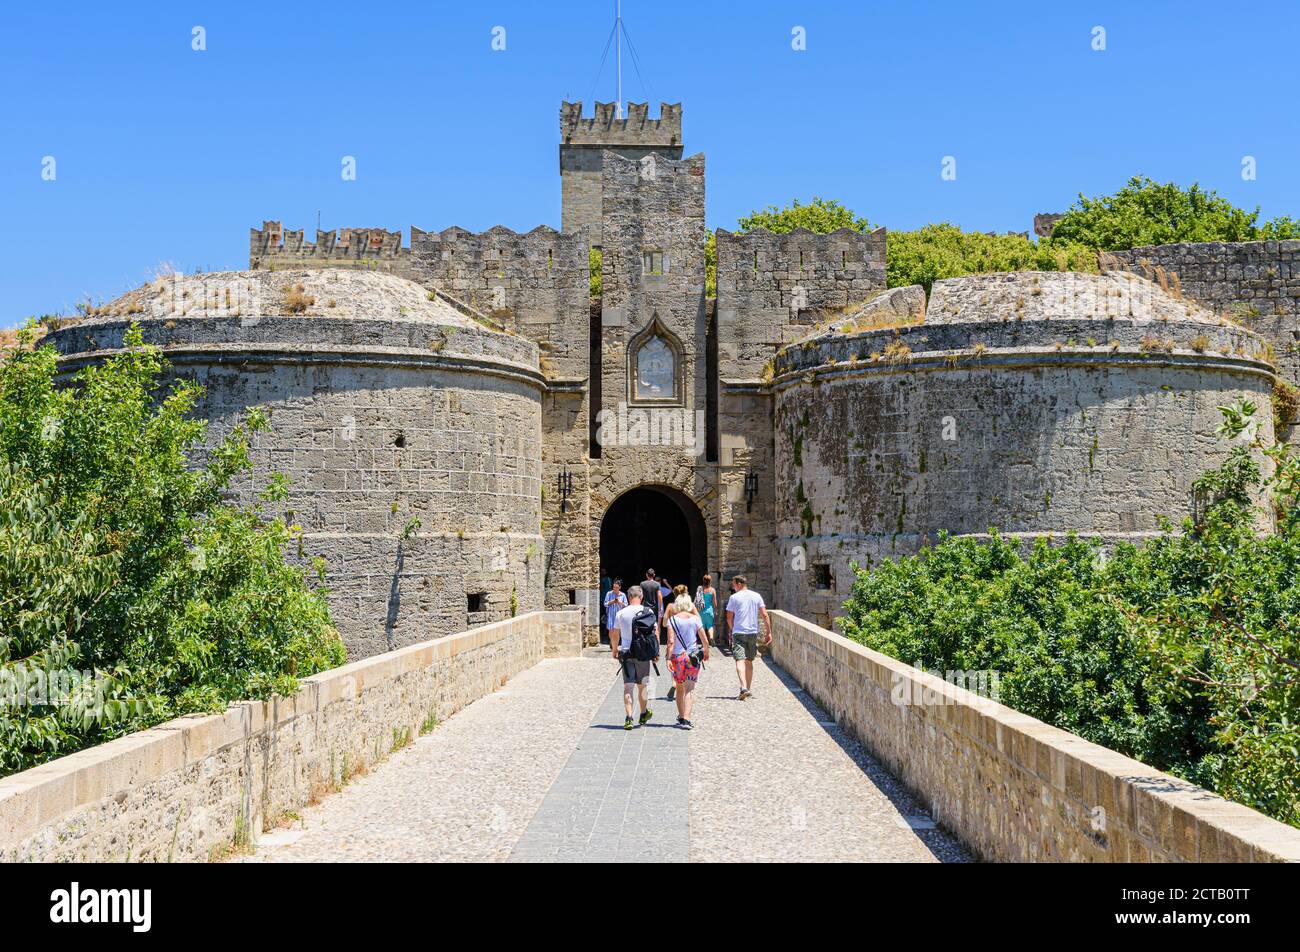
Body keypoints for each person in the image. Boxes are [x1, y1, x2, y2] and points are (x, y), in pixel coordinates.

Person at [612, 585, 657, 730]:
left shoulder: (621, 613)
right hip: (643, 654)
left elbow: (614, 633)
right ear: (641, 597)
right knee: (643, 685)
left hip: (626, 654)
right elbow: (654, 634)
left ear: (628, 597)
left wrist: (614, 649)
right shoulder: (648, 611)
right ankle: (643, 713)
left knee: (628, 687)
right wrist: (655, 653)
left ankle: (629, 718)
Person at [665, 593, 708, 729]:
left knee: (679, 688)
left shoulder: (672, 620)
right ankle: (687, 720)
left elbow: (671, 642)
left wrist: (667, 659)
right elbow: (704, 639)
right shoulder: (695, 619)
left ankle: (682, 716)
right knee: (690, 689)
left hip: (677, 658)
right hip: (692, 658)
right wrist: (706, 652)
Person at [725, 575, 770, 701]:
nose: (733, 587)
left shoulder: (734, 597)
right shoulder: (756, 596)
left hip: (739, 632)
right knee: (749, 661)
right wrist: (768, 633)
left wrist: (733, 629)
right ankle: (748, 689)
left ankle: (743, 687)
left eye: (734, 585)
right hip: (752, 633)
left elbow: (729, 617)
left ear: (739, 584)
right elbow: (765, 615)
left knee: (739, 660)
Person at [662, 584, 699, 702]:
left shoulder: (670, 606)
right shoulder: (691, 606)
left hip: (676, 641)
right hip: (689, 643)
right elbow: (698, 621)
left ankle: (674, 683)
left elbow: (664, 623)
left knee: (674, 664)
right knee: (689, 672)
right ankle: (685, 689)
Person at [694, 574, 718, 646]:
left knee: (702, 627)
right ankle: (711, 637)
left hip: (701, 610)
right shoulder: (712, 590)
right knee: (710, 626)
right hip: (709, 611)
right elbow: (714, 602)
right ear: (710, 581)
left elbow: (697, 599)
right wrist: (715, 610)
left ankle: (704, 642)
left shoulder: (700, 589)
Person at [603, 579, 627, 645]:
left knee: (618, 630)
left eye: (616, 587)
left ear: (619, 587)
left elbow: (626, 605)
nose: (615, 589)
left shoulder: (623, 595)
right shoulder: (609, 594)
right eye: (614, 587)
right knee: (611, 630)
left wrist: (619, 602)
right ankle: (611, 642)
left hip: (619, 615)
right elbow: (605, 604)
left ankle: (615, 643)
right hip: (611, 614)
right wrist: (613, 601)